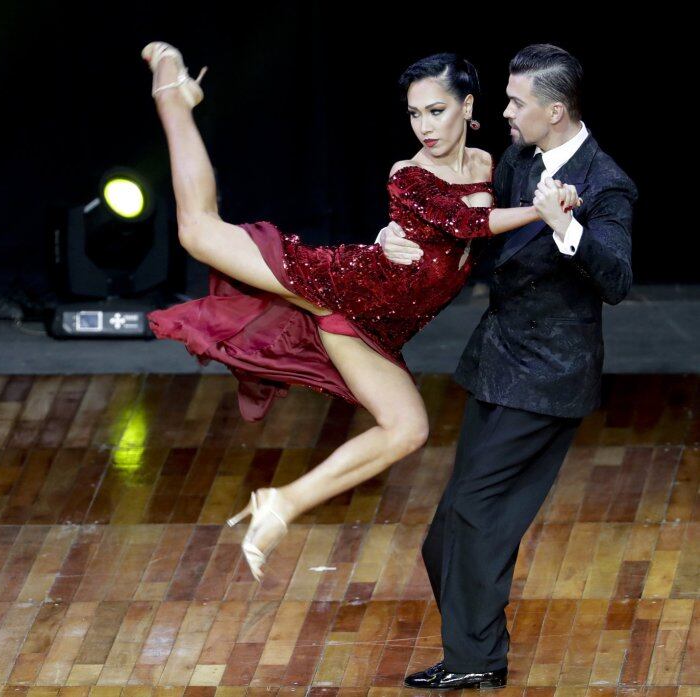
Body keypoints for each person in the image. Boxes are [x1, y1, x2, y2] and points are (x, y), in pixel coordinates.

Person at [139, 43, 579, 586]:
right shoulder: (409, 176)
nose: (425, 126)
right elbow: (468, 225)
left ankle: (280, 503)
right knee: (197, 230)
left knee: (407, 429)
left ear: (468, 105)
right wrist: (541, 210)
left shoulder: (489, 164)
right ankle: (173, 92)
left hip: (376, 330)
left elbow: (466, 229)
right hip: (339, 291)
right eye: (415, 114)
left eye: (436, 111)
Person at [375, 45, 638, 690]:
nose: (505, 111)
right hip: (497, 361)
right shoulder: (517, 159)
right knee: (447, 536)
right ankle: (481, 648)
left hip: (550, 374)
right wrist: (394, 236)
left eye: (517, 102)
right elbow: (457, 219)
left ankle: (472, 661)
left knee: (473, 511)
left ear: (554, 109)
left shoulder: (606, 181)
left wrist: (565, 227)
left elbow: (617, 279)